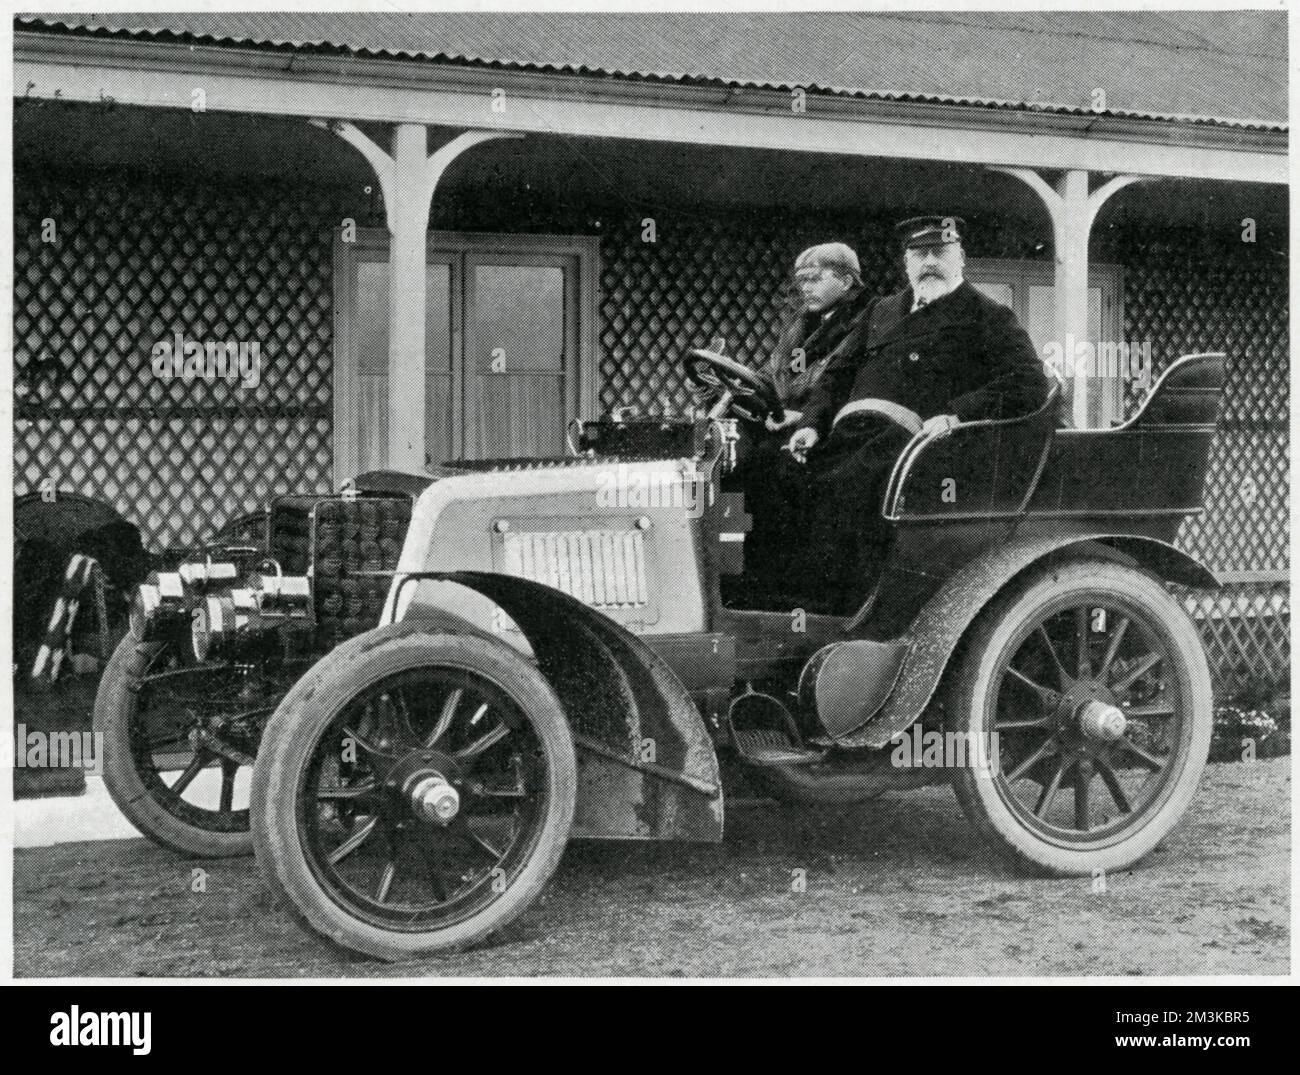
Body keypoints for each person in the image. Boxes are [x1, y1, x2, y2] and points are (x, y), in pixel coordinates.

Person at [777, 215, 1051, 610]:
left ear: (961, 259)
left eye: (940, 253)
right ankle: (781, 602)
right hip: (853, 433)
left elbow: (1028, 383)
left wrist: (956, 415)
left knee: (847, 483)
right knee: (778, 467)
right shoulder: (882, 311)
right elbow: (837, 374)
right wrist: (811, 424)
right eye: (919, 254)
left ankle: (843, 607)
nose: (930, 263)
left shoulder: (988, 315)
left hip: (923, 447)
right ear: (907, 263)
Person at [730, 242, 875, 597]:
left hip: (835, 435)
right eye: (802, 281)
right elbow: (776, 377)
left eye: (815, 279)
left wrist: (806, 417)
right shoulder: (802, 327)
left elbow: (852, 385)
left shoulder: (867, 324)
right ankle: (739, 574)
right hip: (788, 426)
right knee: (730, 464)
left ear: (845, 281)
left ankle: (788, 587)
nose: (805, 288)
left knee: (769, 470)